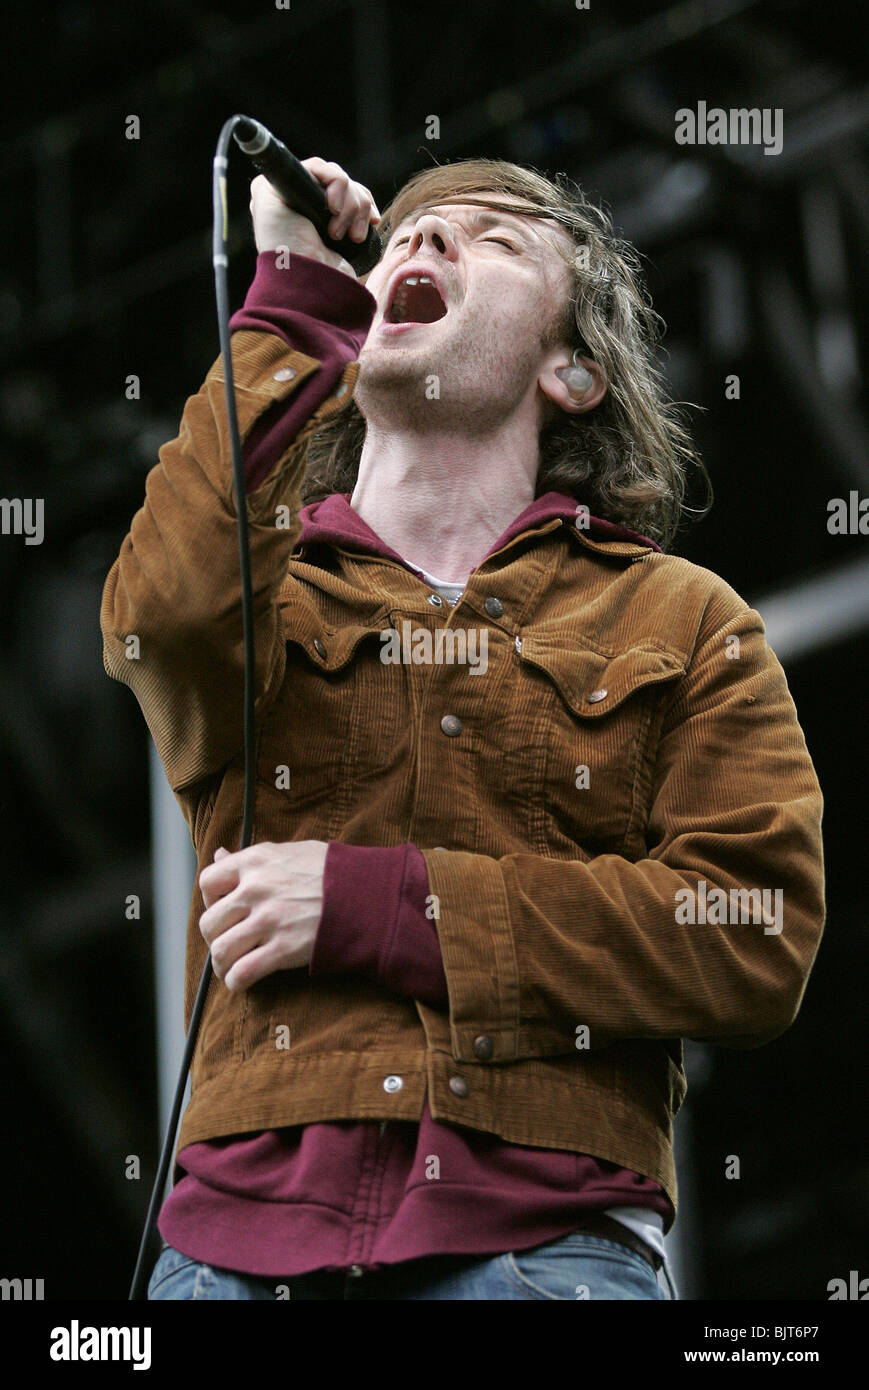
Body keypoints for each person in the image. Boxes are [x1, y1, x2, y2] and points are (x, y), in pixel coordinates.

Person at [101, 154, 826, 1301]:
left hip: (541, 1250)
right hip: (231, 1258)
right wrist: (286, 292)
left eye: (491, 239)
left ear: (573, 371)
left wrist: (379, 904)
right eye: (407, 235)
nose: (424, 243)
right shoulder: (267, 596)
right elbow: (153, 623)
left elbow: (751, 929)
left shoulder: (681, 619)